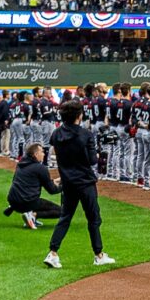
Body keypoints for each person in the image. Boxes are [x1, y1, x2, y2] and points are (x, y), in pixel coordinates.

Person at [45, 100, 111, 269]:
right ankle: (98, 255)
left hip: (68, 182)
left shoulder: (56, 134)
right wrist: (98, 152)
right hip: (85, 182)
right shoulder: (85, 134)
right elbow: (92, 160)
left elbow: (57, 153)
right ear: (79, 115)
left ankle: (53, 252)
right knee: (93, 219)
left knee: (65, 217)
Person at [5, 144, 63, 229]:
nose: (44, 154)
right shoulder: (40, 168)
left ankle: (31, 217)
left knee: (33, 199)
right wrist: (65, 186)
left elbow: (37, 181)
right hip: (27, 202)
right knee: (62, 211)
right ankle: (33, 216)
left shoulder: (21, 164)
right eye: (42, 152)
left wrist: (58, 180)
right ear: (36, 154)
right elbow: (52, 190)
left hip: (13, 201)